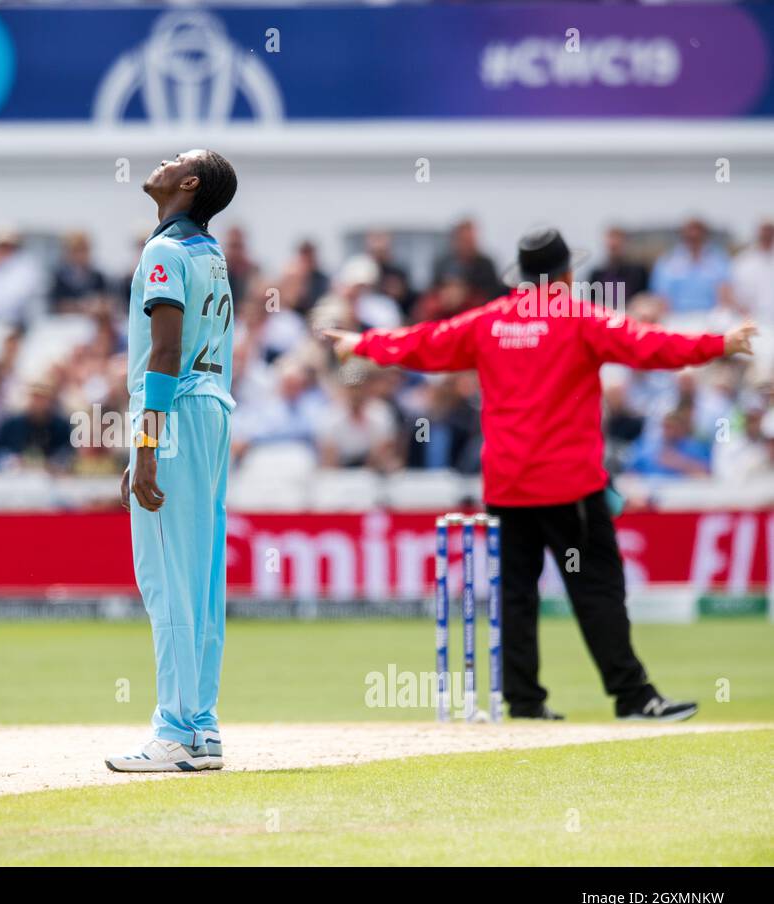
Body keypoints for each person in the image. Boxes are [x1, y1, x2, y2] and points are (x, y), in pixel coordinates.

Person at [325, 227, 757, 722]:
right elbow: (650, 346)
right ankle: (632, 696)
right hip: (569, 484)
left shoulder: (490, 322)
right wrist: (718, 342)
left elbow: (424, 344)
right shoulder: (579, 318)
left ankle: (525, 701)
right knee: (596, 591)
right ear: (567, 274)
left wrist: (361, 343)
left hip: (508, 485)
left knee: (515, 594)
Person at [107, 149, 237, 773]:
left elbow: (163, 355)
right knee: (202, 578)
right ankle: (203, 726)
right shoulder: (209, 253)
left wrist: (148, 447)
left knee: (167, 580)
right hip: (212, 412)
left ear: (188, 185)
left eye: (175, 160)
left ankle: (176, 729)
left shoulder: (163, 253)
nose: (158, 162)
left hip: (178, 411)